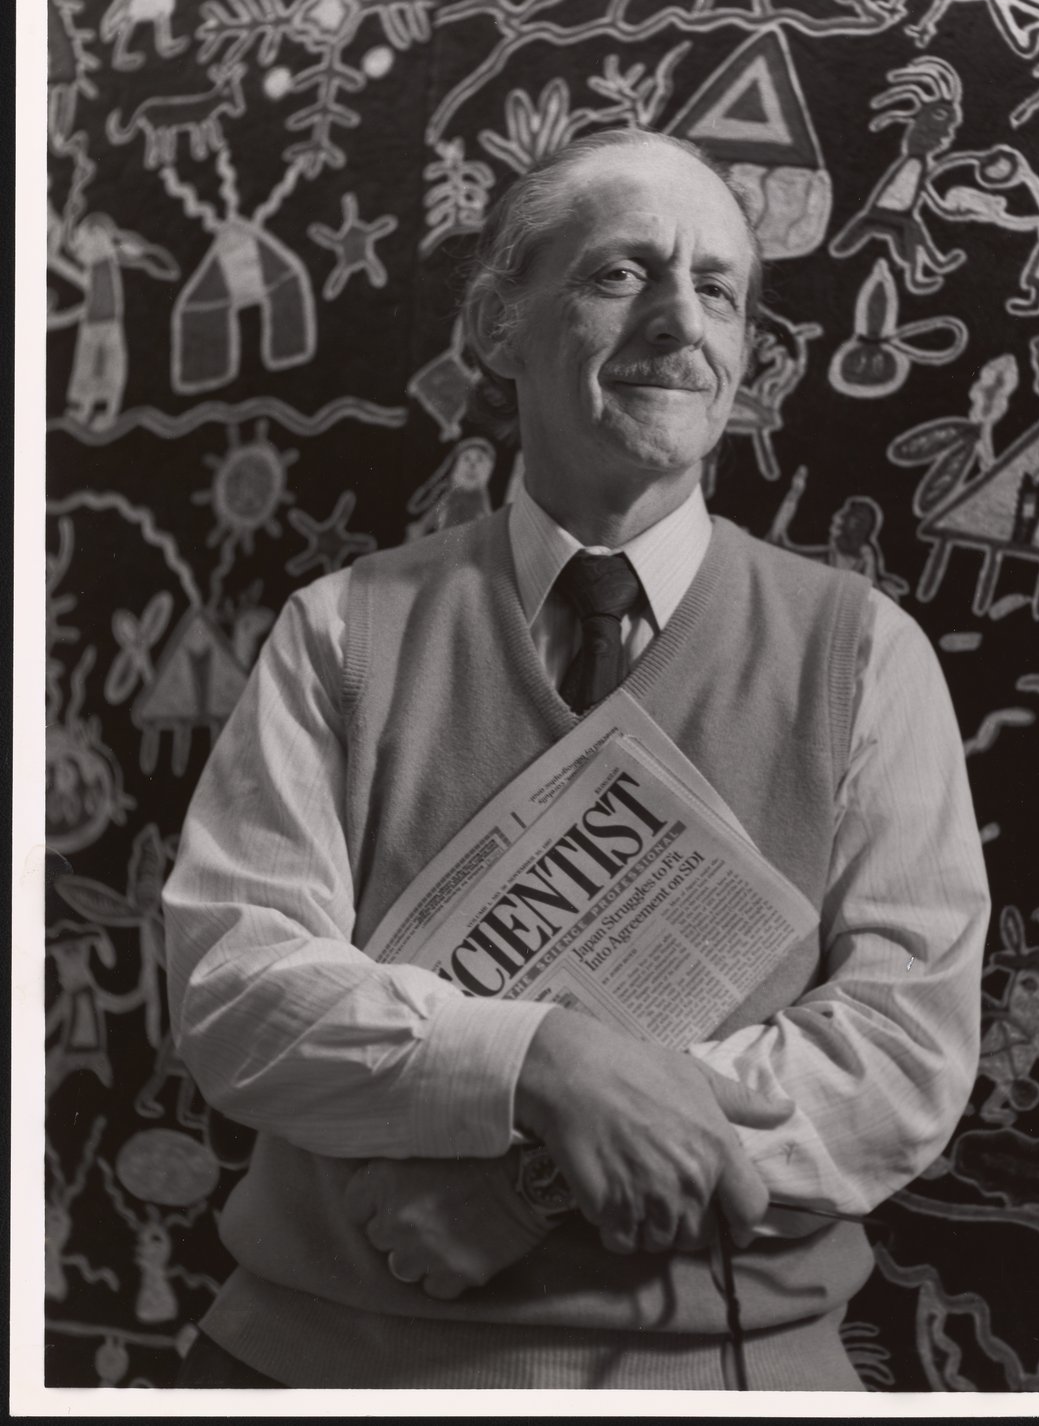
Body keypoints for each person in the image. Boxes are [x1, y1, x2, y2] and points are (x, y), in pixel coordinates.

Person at [163, 127, 990, 1391]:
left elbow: (900, 1059)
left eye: (717, 287)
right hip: (328, 1362)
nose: (679, 319)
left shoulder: (864, 655)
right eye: (620, 275)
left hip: (726, 1367)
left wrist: (535, 1175)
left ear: (747, 356)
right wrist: (542, 1060)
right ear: (502, 324)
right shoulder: (340, 629)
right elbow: (235, 990)